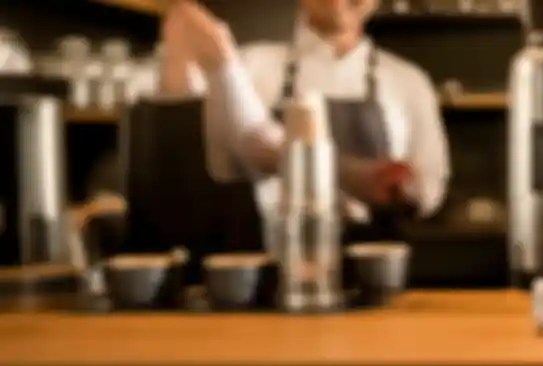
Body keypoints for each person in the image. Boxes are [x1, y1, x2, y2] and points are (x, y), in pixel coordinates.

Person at [160, 0, 450, 249]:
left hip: (375, 269)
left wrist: (407, 187)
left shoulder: (408, 81)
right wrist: (186, 52)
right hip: (269, 266)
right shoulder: (248, 65)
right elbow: (201, 140)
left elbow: (430, 187)